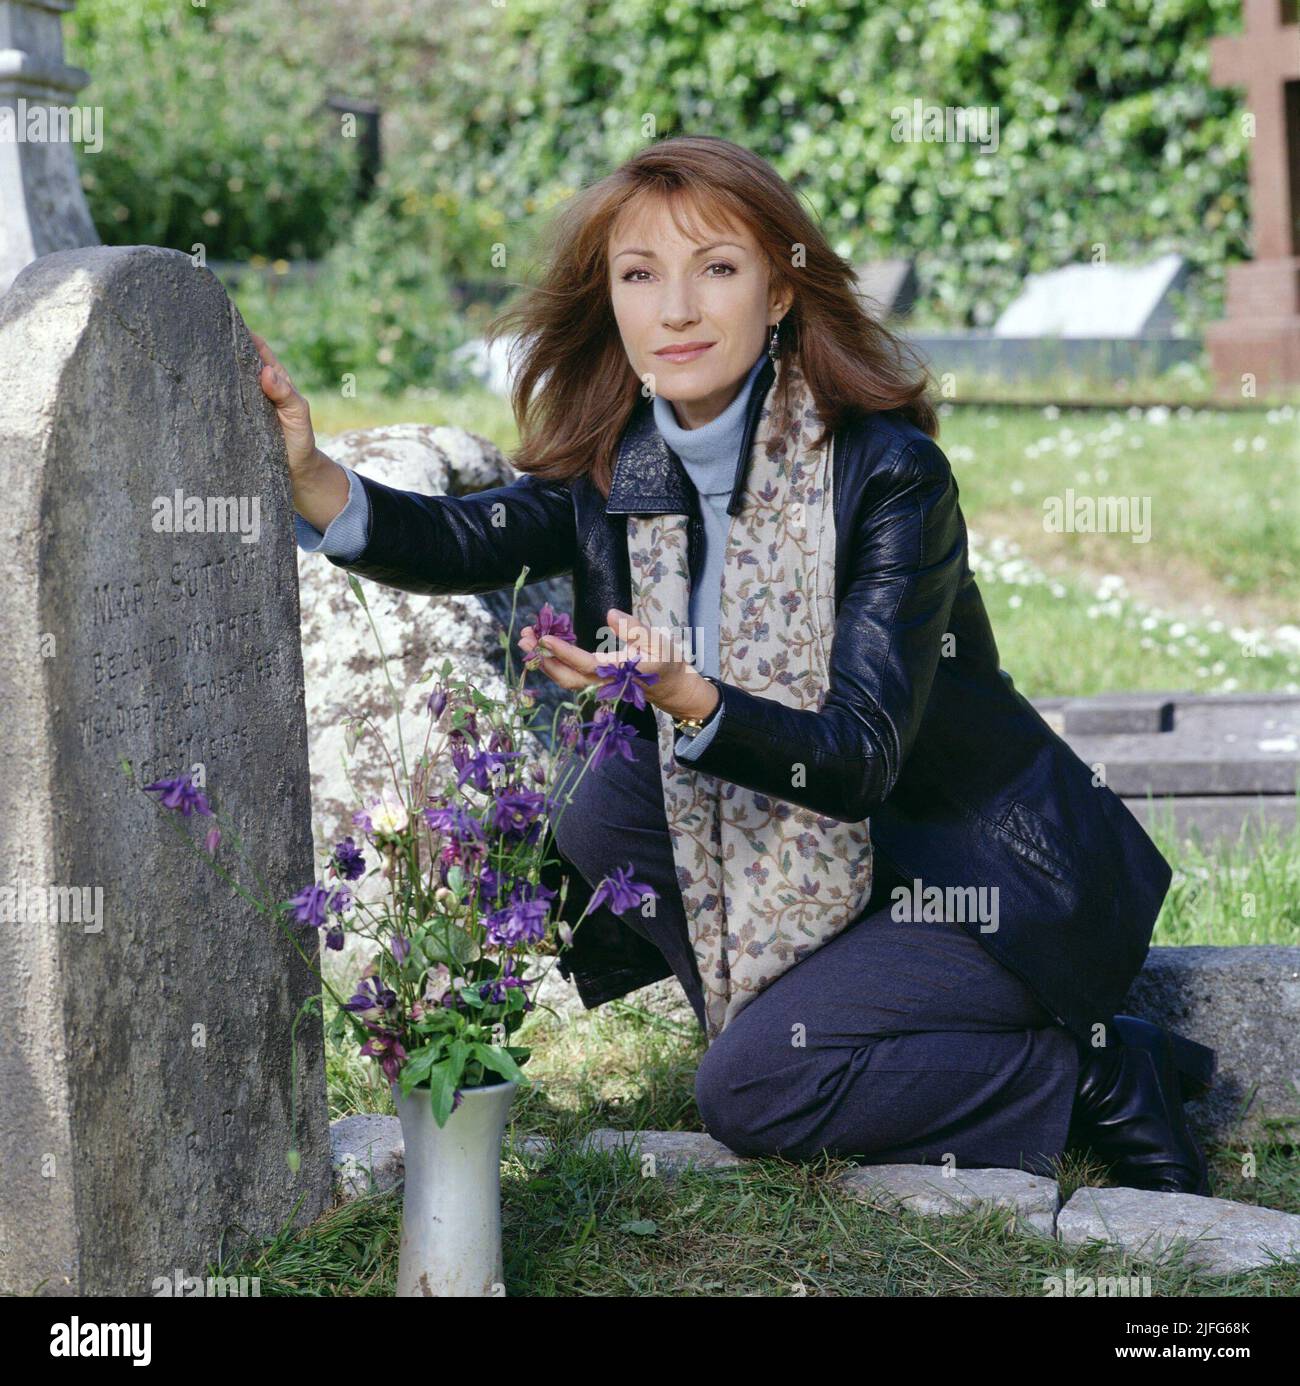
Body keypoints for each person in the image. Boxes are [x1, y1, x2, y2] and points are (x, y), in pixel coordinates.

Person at [258, 134, 1215, 1195]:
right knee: (609, 797)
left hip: (964, 876)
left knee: (753, 1095)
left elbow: (860, 758)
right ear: (611, 303)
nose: (675, 310)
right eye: (639, 276)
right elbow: (464, 537)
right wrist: (315, 480)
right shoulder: (624, 467)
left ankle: (1094, 1071)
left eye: (716, 269)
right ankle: (806, 1011)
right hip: (808, 872)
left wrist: (689, 697)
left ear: (777, 295)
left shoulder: (889, 476)